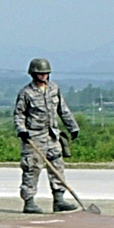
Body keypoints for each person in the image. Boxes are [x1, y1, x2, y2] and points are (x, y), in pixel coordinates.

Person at [13, 57, 80, 213]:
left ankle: (59, 199)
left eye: (45, 73)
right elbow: (19, 114)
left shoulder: (54, 89)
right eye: (40, 73)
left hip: (52, 135)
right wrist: (21, 130)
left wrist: (73, 127)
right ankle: (29, 201)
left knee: (57, 166)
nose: (43, 76)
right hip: (34, 137)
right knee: (32, 168)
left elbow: (63, 110)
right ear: (33, 74)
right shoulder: (26, 93)